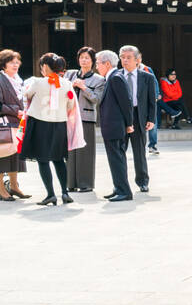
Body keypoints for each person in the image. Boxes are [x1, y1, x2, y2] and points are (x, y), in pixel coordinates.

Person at [22, 53, 84, 206]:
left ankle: (50, 194)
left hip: (40, 124)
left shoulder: (37, 82)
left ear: (44, 66)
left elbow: (26, 96)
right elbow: (71, 104)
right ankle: (65, 192)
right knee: (59, 159)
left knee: (43, 160)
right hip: (59, 125)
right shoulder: (67, 84)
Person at [114, 46, 156, 193]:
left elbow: (152, 100)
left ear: (137, 60)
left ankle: (143, 181)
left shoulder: (147, 77)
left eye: (128, 57)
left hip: (138, 116)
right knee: (119, 152)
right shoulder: (116, 76)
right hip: (120, 118)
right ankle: (120, 183)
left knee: (139, 152)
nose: (125, 60)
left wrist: (151, 119)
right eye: (122, 57)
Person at [64, 47, 105, 193]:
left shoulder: (99, 79)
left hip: (86, 118)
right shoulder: (69, 74)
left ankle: (86, 183)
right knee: (70, 151)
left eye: (87, 58)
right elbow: (61, 91)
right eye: (81, 57)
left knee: (85, 152)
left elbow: (96, 99)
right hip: (69, 117)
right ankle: (70, 183)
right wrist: (70, 86)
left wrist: (84, 87)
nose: (83, 60)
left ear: (93, 61)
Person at [95, 51, 133, 202]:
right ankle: (118, 188)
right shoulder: (111, 77)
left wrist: (129, 123)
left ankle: (124, 191)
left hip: (116, 126)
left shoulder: (116, 78)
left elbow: (126, 102)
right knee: (115, 159)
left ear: (107, 64)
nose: (96, 66)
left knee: (117, 159)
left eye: (98, 63)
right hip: (112, 126)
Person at [0, 49, 30, 200]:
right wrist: (16, 111)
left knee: (15, 156)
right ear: (4, 64)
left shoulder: (18, 80)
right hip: (4, 124)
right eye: (12, 62)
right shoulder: (0, 79)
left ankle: (14, 186)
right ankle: (1, 189)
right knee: (3, 155)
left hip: (17, 123)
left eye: (17, 62)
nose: (16, 65)